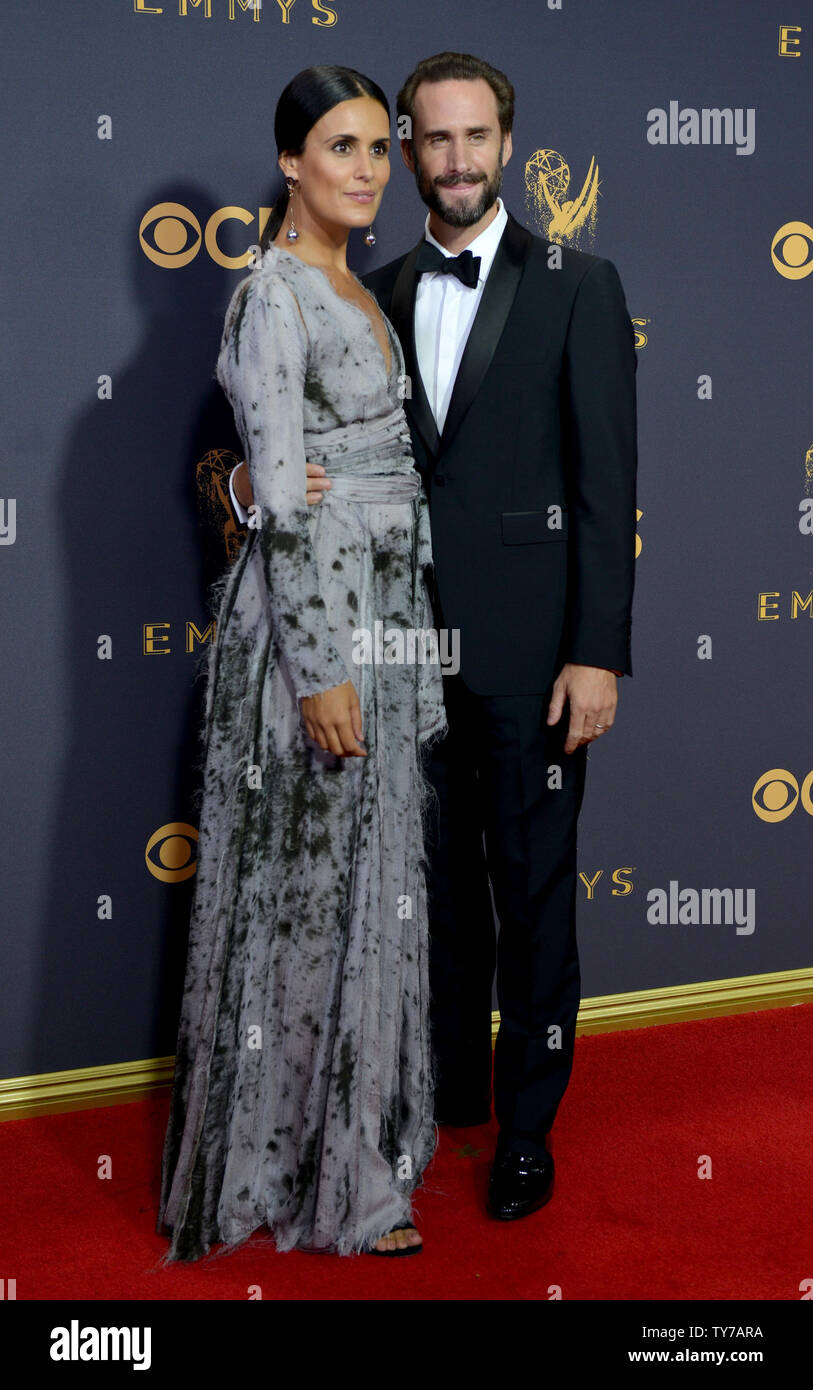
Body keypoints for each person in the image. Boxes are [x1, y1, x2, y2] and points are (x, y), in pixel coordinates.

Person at [231, 50, 638, 1224]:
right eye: (431, 140)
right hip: (399, 655)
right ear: (406, 150)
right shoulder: (377, 288)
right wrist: (255, 490)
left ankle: (524, 1128)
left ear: (506, 146)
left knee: (535, 899)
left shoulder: (580, 284)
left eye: (476, 139)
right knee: (436, 900)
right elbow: (306, 449)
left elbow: (609, 487)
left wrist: (597, 650)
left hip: (534, 657)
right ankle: (448, 1092)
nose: (454, 161)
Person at [156, 64, 448, 1263]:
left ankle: (362, 1162)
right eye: (343, 147)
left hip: (379, 621)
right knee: (306, 909)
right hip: (308, 641)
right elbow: (277, 500)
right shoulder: (272, 292)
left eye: (382, 147)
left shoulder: (355, 284)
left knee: (369, 900)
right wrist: (324, 667)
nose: (370, 169)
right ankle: (307, 1177)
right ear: (290, 162)